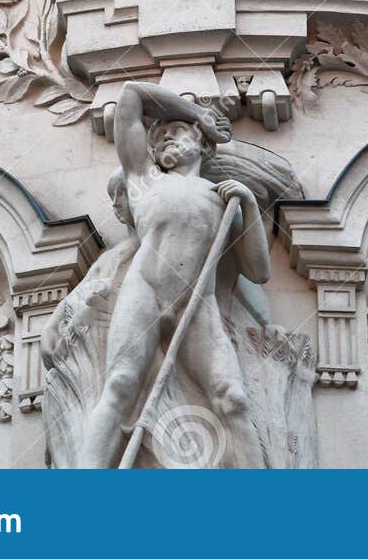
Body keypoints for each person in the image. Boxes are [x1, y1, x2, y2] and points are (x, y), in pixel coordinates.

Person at [79, 83, 269, 470]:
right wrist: (198, 114)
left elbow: (259, 271)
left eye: (177, 131)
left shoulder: (221, 196)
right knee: (119, 386)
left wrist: (248, 205)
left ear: (204, 146)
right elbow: (132, 95)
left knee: (232, 397)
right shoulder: (142, 179)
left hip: (196, 304)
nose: (165, 135)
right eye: (160, 134)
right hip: (144, 292)